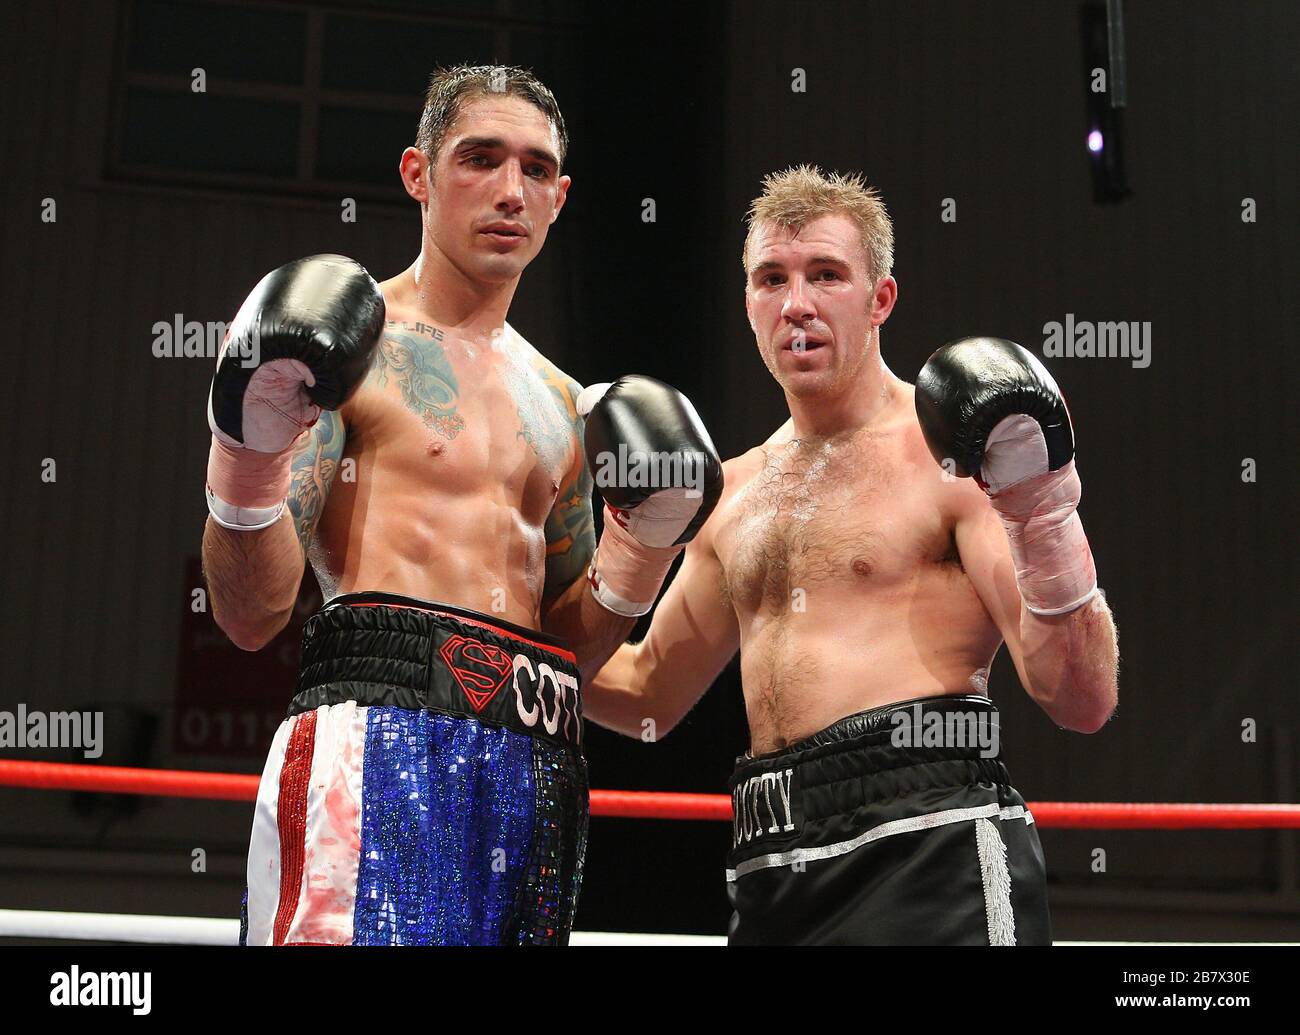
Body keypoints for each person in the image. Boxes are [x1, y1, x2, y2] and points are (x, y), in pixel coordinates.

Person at [200, 65, 720, 945]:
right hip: (377, 737)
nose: (511, 191)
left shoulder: (563, 403)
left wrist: (644, 552)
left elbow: (572, 650)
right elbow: (250, 618)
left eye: (536, 168)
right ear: (418, 174)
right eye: (481, 158)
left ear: (561, 196)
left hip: (535, 763)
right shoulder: (348, 353)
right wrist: (249, 457)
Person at [584, 165, 1119, 945]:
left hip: (928, 840)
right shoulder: (729, 493)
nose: (796, 303)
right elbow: (645, 697)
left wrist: (1042, 514)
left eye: (825, 275)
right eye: (772, 279)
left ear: (880, 300)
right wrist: (550, 598)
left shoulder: (953, 461)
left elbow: (1081, 697)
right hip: (771, 863)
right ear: (748, 303)